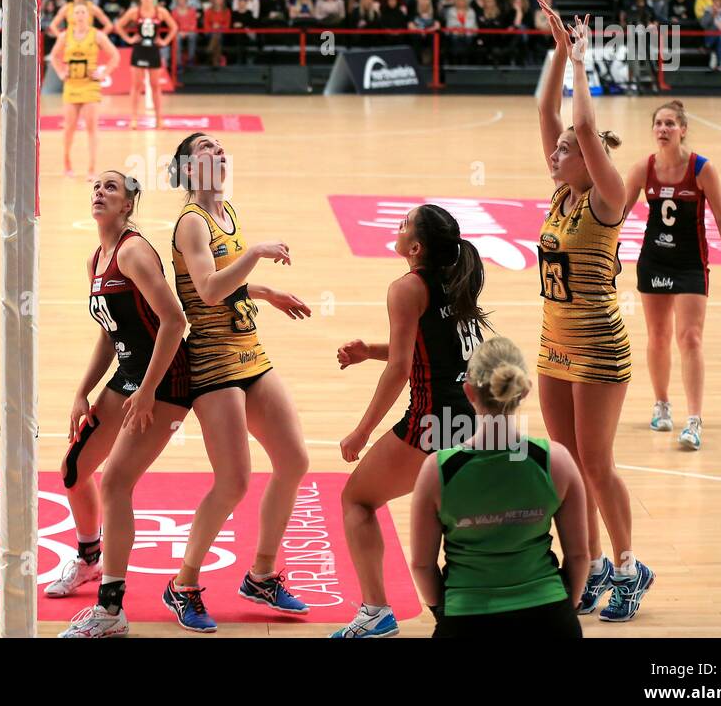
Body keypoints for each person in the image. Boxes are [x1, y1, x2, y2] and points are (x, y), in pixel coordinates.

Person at [163, 132, 313, 631]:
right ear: (187, 169)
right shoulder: (191, 222)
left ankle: (262, 574)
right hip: (213, 361)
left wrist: (266, 291)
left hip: (250, 350)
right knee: (233, 482)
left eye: (219, 145)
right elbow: (207, 291)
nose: (217, 149)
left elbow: (231, 278)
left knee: (294, 460)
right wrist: (258, 254)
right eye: (204, 147)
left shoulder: (227, 212)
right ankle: (182, 585)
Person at [534, 0, 653, 622]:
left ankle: (632, 567)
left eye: (566, 150)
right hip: (553, 343)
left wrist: (582, 62)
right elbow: (546, 113)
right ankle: (591, 565)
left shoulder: (607, 199)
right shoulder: (561, 191)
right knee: (567, 464)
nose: (555, 153)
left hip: (600, 346)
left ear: (590, 158)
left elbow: (578, 127)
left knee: (598, 465)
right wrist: (557, 53)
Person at [330, 204, 489, 638]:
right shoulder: (461, 274)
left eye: (403, 225)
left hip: (432, 423)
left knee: (357, 502)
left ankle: (376, 611)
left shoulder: (405, 288)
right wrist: (369, 351)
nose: (396, 228)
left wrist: (361, 431)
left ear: (415, 248)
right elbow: (433, 348)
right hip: (477, 422)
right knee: (456, 525)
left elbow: (402, 369)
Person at [55, 172, 191, 637]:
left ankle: (111, 612)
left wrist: (149, 390)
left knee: (114, 483)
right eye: (96, 186)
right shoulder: (97, 257)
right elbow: (109, 330)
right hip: (128, 376)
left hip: (166, 379)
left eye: (111, 188)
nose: (99, 192)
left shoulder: (134, 251)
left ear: (128, 205)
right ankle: (90, 558)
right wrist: (82, 391)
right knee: (75, 470)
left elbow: (175, 321)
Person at [408, 336, 587, 638]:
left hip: (467, 617)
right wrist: (561, 608)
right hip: (549, 616)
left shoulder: (439, 471)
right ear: (525, 389)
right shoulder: (555, 461)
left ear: (468, 391)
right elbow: (580, 556)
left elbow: (422, 566)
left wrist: (446, 612)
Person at [623, 100, 721, 449]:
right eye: (659, 124)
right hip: (654, 261)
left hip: (691, 262)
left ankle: (694, 421)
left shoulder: (702, 169)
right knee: (658, 336)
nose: (663, 129)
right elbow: (619, 212)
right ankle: (661, 404)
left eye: (670, 124)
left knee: (689, 337)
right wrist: (605, 248)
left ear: (683, 129)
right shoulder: (642, 169)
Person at [50, 4, 120, 179]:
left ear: (89, 16)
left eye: (83, 12)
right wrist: (60, 72)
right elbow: (53, 56)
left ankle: (92, 169)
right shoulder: (65, 35)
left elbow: (115, 56)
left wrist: (103, 73)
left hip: (90, 85)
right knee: (69, 128)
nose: (80, 15)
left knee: (91, 128)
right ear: (72, 17)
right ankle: (67, 164)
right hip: (72, 85)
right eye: (77, 12)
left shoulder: (97, 35)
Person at [115, 0, 177, 130]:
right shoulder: (134, 12)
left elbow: (174, 27)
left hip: (153, 51)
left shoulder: (160, 12)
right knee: (136, 87)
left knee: (155, 86)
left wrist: (165, 41)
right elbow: (118, 26)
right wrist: (128, 39)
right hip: (139, 51)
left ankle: (159, 119)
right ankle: (134, 119)